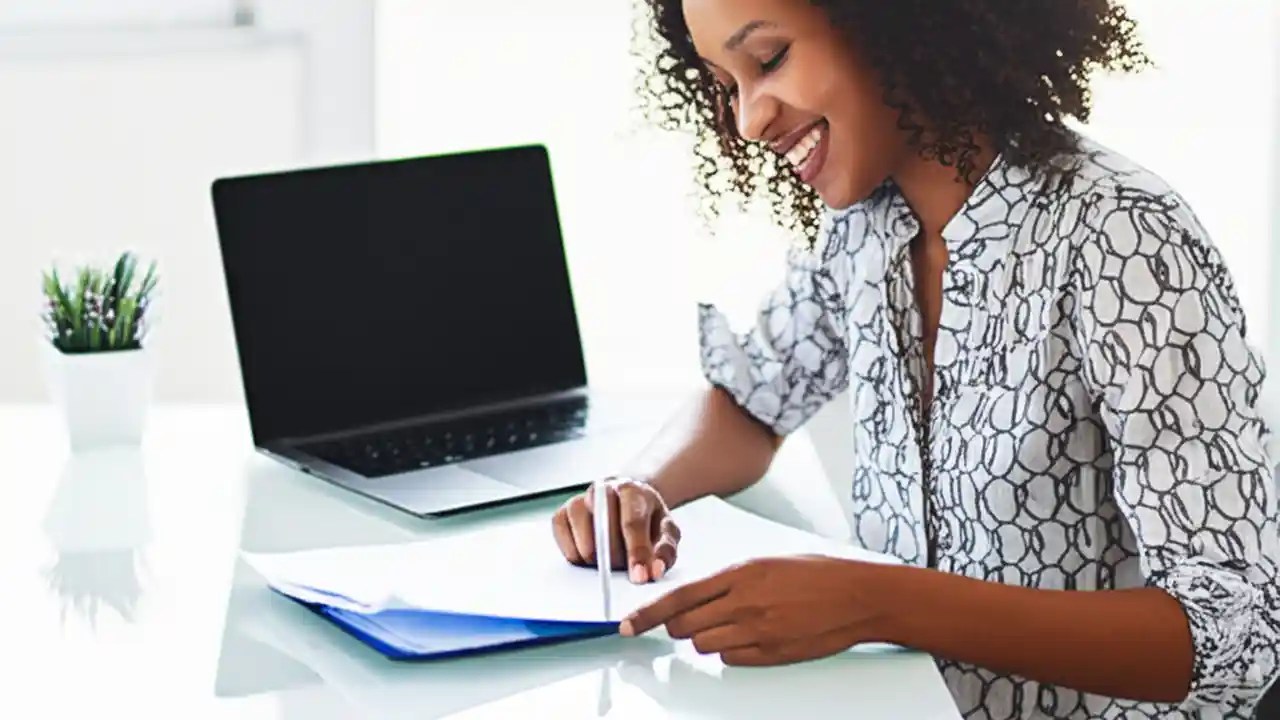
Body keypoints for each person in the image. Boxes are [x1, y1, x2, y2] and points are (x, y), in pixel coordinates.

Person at [549, 0, 1280, 717]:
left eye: (769, 60)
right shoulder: (859, 229)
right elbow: (751, 398)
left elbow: (1233, 635)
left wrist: (874, 602)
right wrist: (637, 492)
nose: (748, 120)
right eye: (726, 84)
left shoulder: (1123, 238)